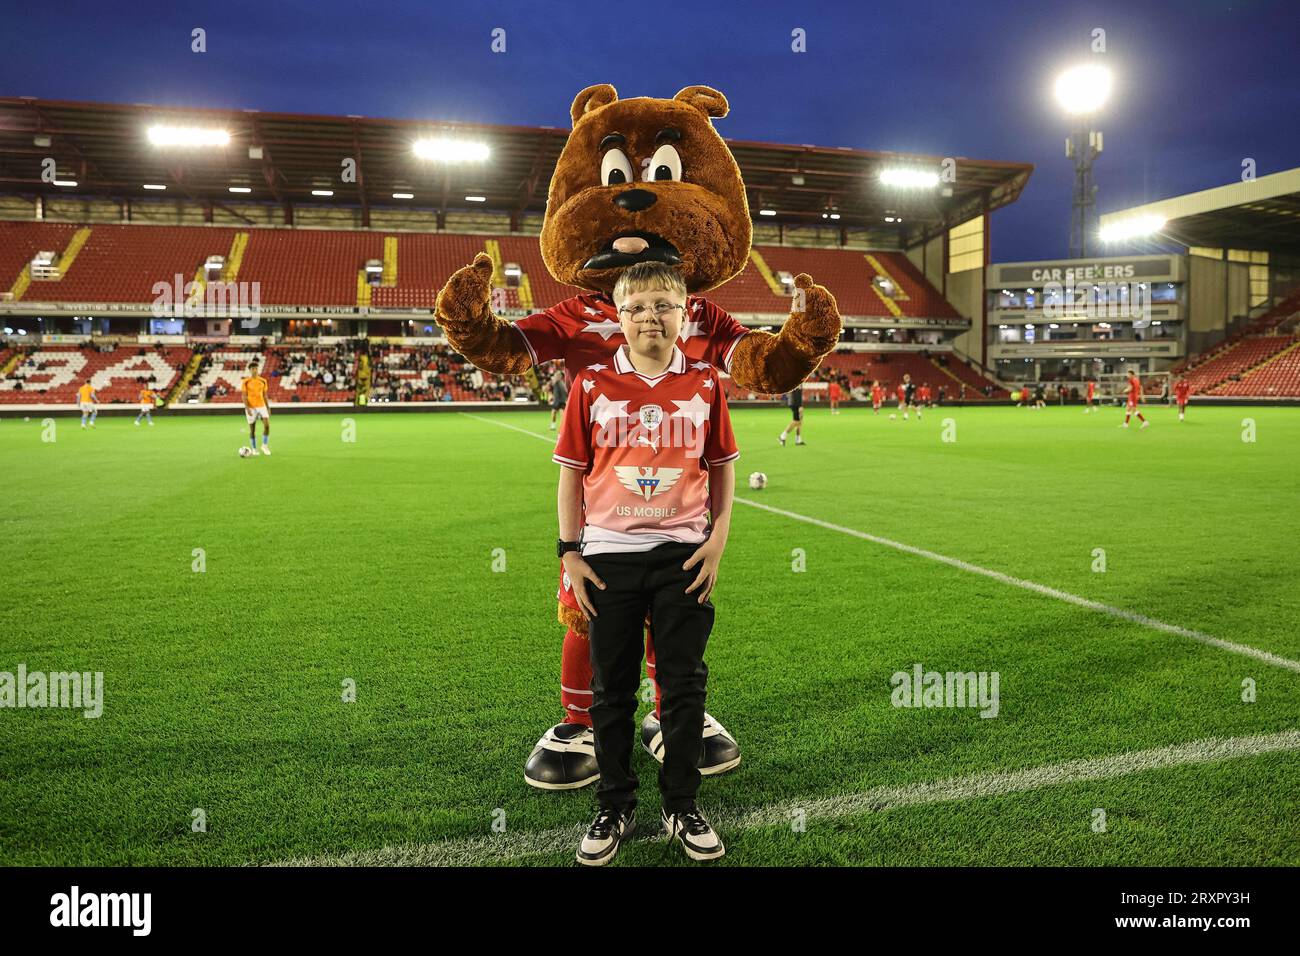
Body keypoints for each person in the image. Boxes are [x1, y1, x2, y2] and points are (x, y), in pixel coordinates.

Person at [554, 262, 736, 865]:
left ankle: (682, 805)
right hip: (609, 559)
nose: (650, 316)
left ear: (684, 313)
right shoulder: (591, 384)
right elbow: (571, 475)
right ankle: (614, 803)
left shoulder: (708, 382)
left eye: (663, 305)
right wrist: (570, 552)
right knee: (613, 693)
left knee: (683, 687)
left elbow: (723, 466)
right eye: (637, 307)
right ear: (620, 316)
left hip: (684, 557)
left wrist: (718, 539)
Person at [241, 360, 272, 454]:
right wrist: (247, 408)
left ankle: (264, 446)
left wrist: (268, 407)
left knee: (267, 425)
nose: (254, 370)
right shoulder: (245, 381)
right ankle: (254, 449)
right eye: (252, 369)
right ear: (250, 370)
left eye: (256, 368)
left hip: (261, 405)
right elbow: (244, 395)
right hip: (251, 407)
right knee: (252, 429)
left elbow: (265, 395)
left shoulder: (263, 381)